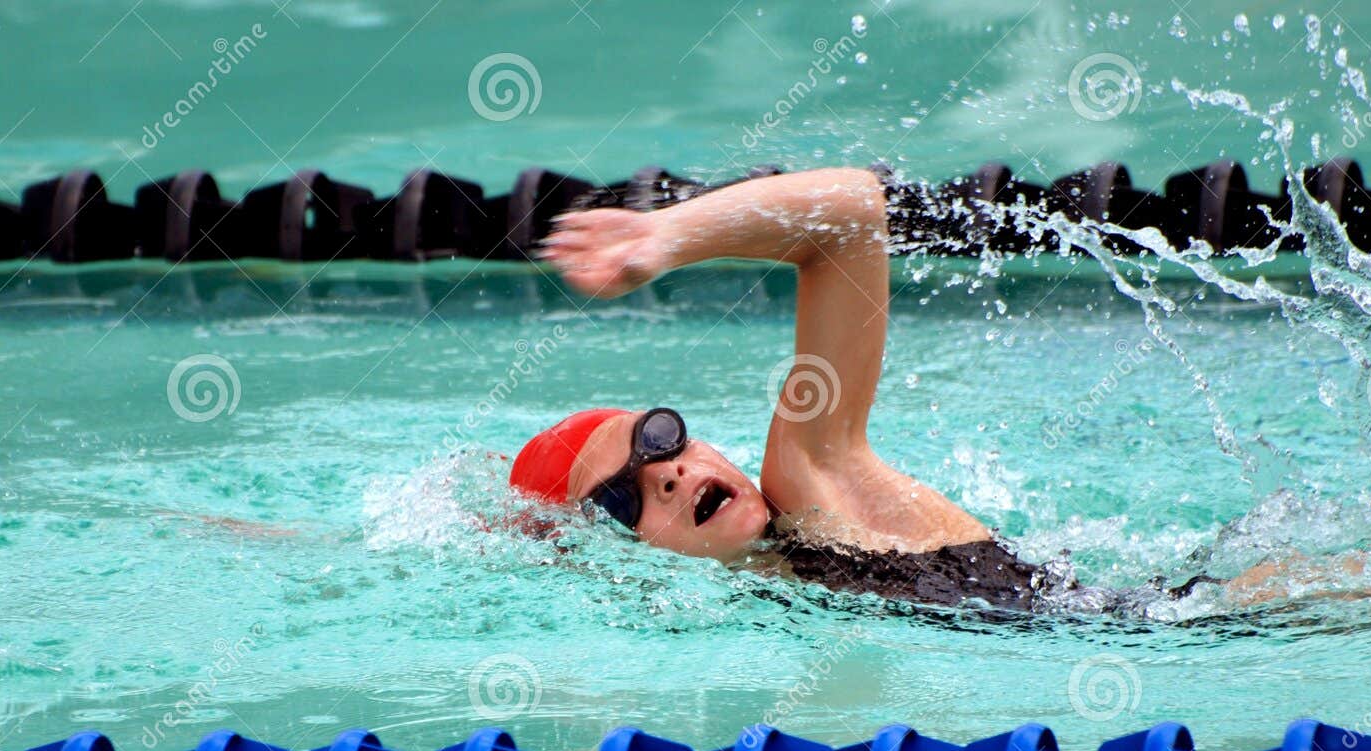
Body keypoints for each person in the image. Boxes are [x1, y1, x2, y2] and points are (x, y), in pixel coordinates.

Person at [509, 167, 1216, 612]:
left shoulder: (810, 484)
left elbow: (849, 212)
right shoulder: (763, 598)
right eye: (618, 501)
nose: (666, 475)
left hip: (1212, 617)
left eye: (657, 439)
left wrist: (665, 239)